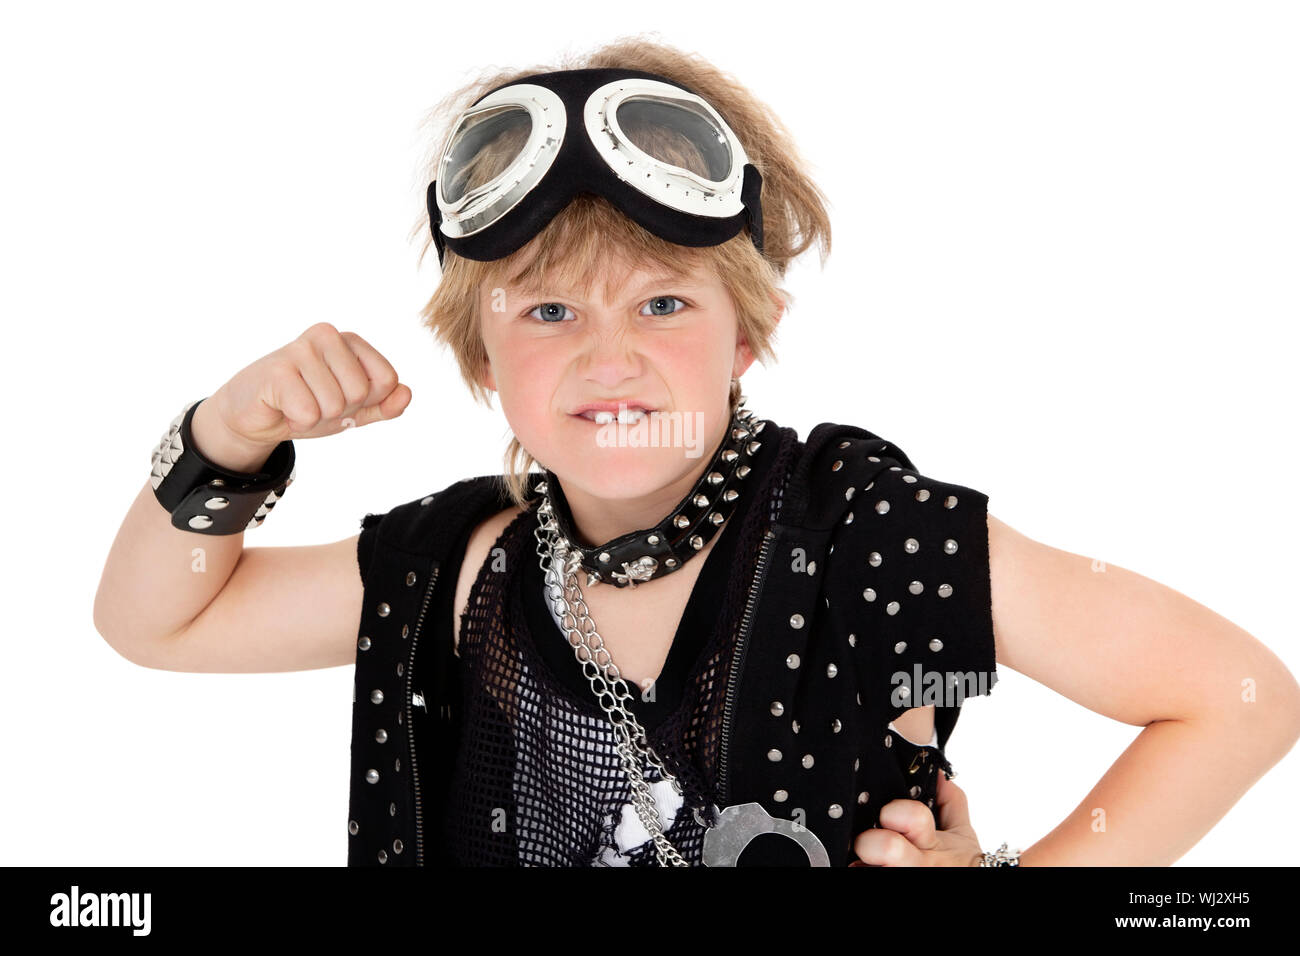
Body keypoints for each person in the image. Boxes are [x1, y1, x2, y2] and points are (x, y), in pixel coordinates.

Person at [94, 37, 1300, 867]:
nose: (607, 360)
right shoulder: (456, 566)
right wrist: (226, 435)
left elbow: (1237, 701)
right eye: (550, 311)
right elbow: (158, 622)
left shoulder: (862, 533)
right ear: (481, 359)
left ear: (746, 337)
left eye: (662, 306)